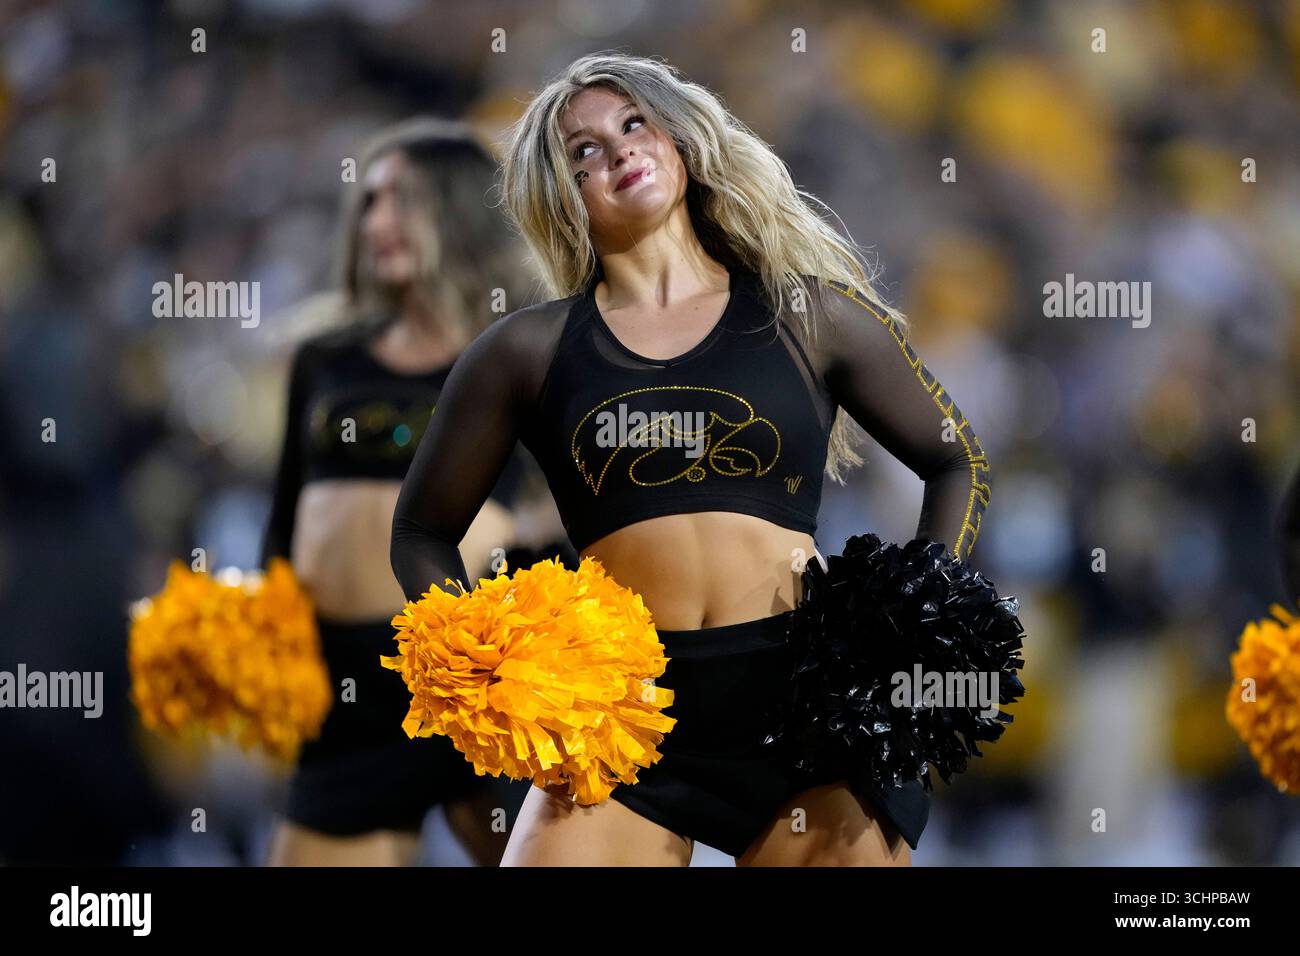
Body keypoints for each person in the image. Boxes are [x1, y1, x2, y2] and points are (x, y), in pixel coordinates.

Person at [390, 54, 991, 866]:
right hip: (624, 714)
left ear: (680, 142)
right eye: (583, 153)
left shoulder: (806, 314)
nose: (618, 152)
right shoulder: (523, 352)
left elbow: (957, 462)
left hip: (805, 708)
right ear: (561, 196)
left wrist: (924, 620)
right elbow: (422, 529)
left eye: (634, 125)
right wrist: (490, 665)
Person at [262, 118, 534, 866]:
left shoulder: (519, 348)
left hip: (481, 674)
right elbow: (287, 515)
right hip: (349, 685)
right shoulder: (326, 357)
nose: (378, 221)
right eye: (371, 201)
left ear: (459, 210)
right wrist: (268, 635)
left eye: (404, 199)